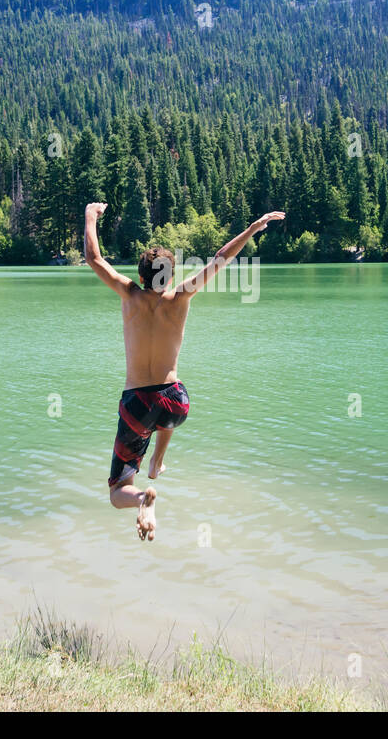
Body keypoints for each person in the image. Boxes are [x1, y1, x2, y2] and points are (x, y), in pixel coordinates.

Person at [83, 201, 285, 541]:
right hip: (176, 402)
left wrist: (91, 216)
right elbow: (221, 258)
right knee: (166, 409)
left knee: (118, 490)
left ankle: (142, 499)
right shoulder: (181, 296)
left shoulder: (129, 293)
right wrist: (252, 228)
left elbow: (94, 258)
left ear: (141, 276)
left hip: (137, 403)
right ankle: (157, 461)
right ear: (171, 276)